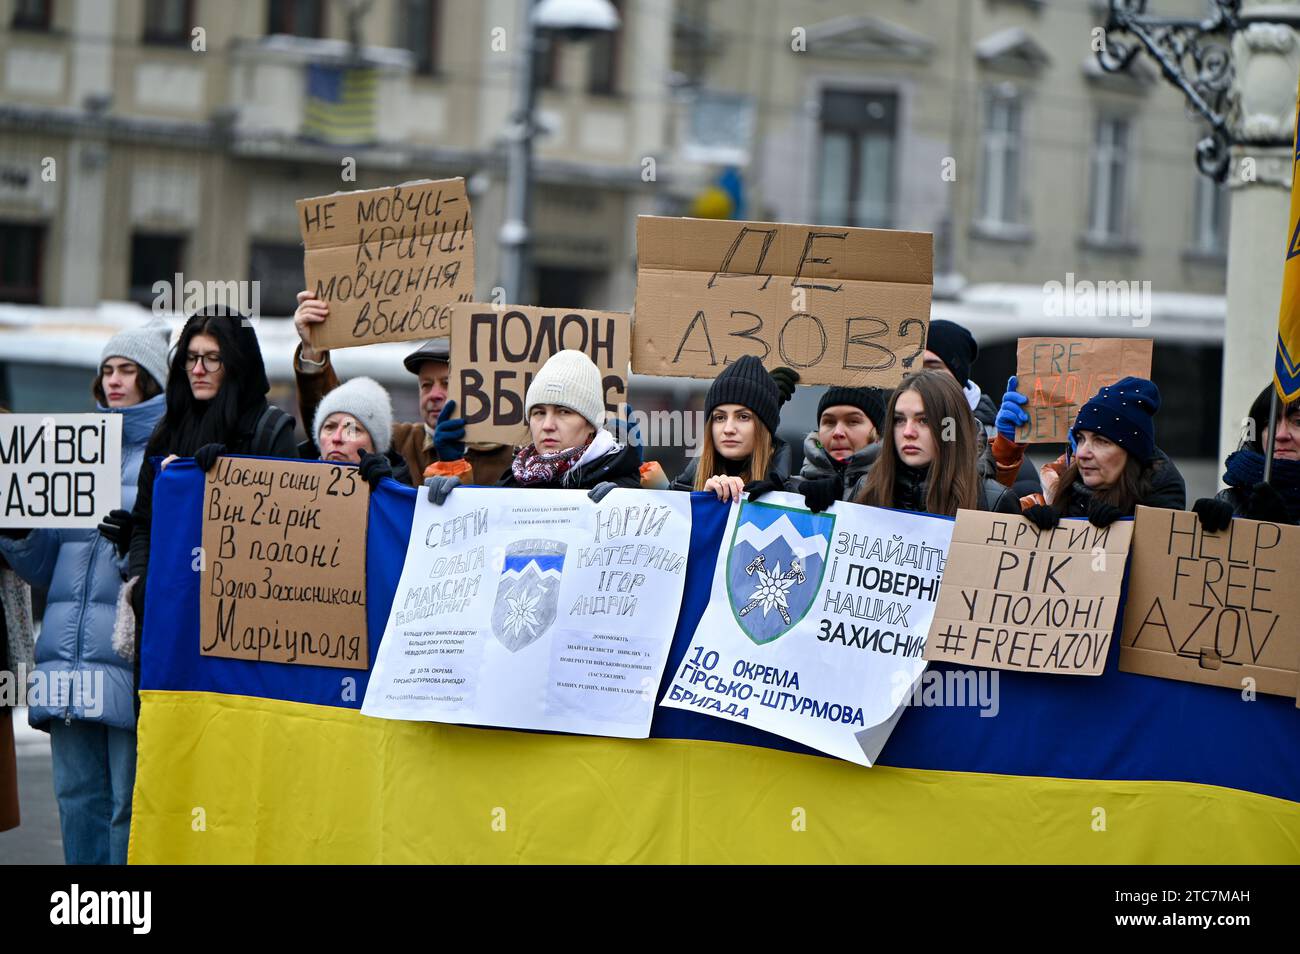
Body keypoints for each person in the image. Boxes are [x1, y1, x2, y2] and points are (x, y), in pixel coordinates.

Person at [0, 321, 168, 863]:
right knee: (75, 800)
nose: (114, 381)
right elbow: (47, 570)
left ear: (152, 379)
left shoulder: (167, 457)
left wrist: (133, 548)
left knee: (126, 804)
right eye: (107, 371)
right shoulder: (72, 450)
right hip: (65, 661)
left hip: (125, 660)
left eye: (127, 370)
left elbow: (177, 569)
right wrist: (20, 535)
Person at [126, 307, 298, 691]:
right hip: (170, 627)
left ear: (236, 364)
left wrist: (228, 481)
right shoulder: (167, 430)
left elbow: (290, 534)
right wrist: (142, 587)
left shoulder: (269, 431)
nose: (198, 369)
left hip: (244, 635)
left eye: (212, 358)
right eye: (190, 357)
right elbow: (144, 523)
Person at [292, 291, 512, 486]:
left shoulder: (511, 455)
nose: (434, 395)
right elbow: (333, 414)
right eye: (426, 385)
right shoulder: (398, 442)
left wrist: (456, 466)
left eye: (447, 383)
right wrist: (313, 350)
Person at [424, 349, 641, 503]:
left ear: (591, 425)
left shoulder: (621, 485)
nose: (547, 425)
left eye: (564, 412)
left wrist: (631, 501)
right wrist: (455, 501)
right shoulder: (511, 480)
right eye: (538, 413)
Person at [991, 376, 1186, 528]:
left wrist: (1126, 531)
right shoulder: (1061, 491)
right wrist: (1035, 532)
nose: (1082, 453)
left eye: (1101, 441)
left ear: (1132, 453)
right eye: (1081, 439)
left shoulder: (1162, 504)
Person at [850, 370, 1018, 515]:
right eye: (899, 420)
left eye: (924, 420)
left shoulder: (994, 500)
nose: (908, 432)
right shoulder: (866, 488)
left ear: (950, 430)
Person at [923, 319, 1042, 497]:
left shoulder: (1000, 443)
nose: (920, 377)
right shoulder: (891, 432)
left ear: (958, 375)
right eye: (913, 367)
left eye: (933, 367)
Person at [670, 356, 793, 502]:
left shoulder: (794, 496)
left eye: (743, 417)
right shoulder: (680, 490)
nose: (728, 429)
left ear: (763, 427)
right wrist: (703, 503)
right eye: (720, 418)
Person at [1192, 382, 1300, 530]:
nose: (1280, 435)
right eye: (1269, 423)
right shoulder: (1230, 500)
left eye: (1298, 422)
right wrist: (1200, 532)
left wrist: (1284, 531)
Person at [298, 375, 410, 487]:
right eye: (330, 427)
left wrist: (385, 491)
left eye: (353, 429)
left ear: (375, 447)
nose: (336, 438)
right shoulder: (291, 482)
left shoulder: (405, 499)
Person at [795, 386, 887, 511]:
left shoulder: (895, 491)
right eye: (829, 422)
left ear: (877, 434)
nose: (837, 432)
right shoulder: (792, 490)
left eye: (853, 421)